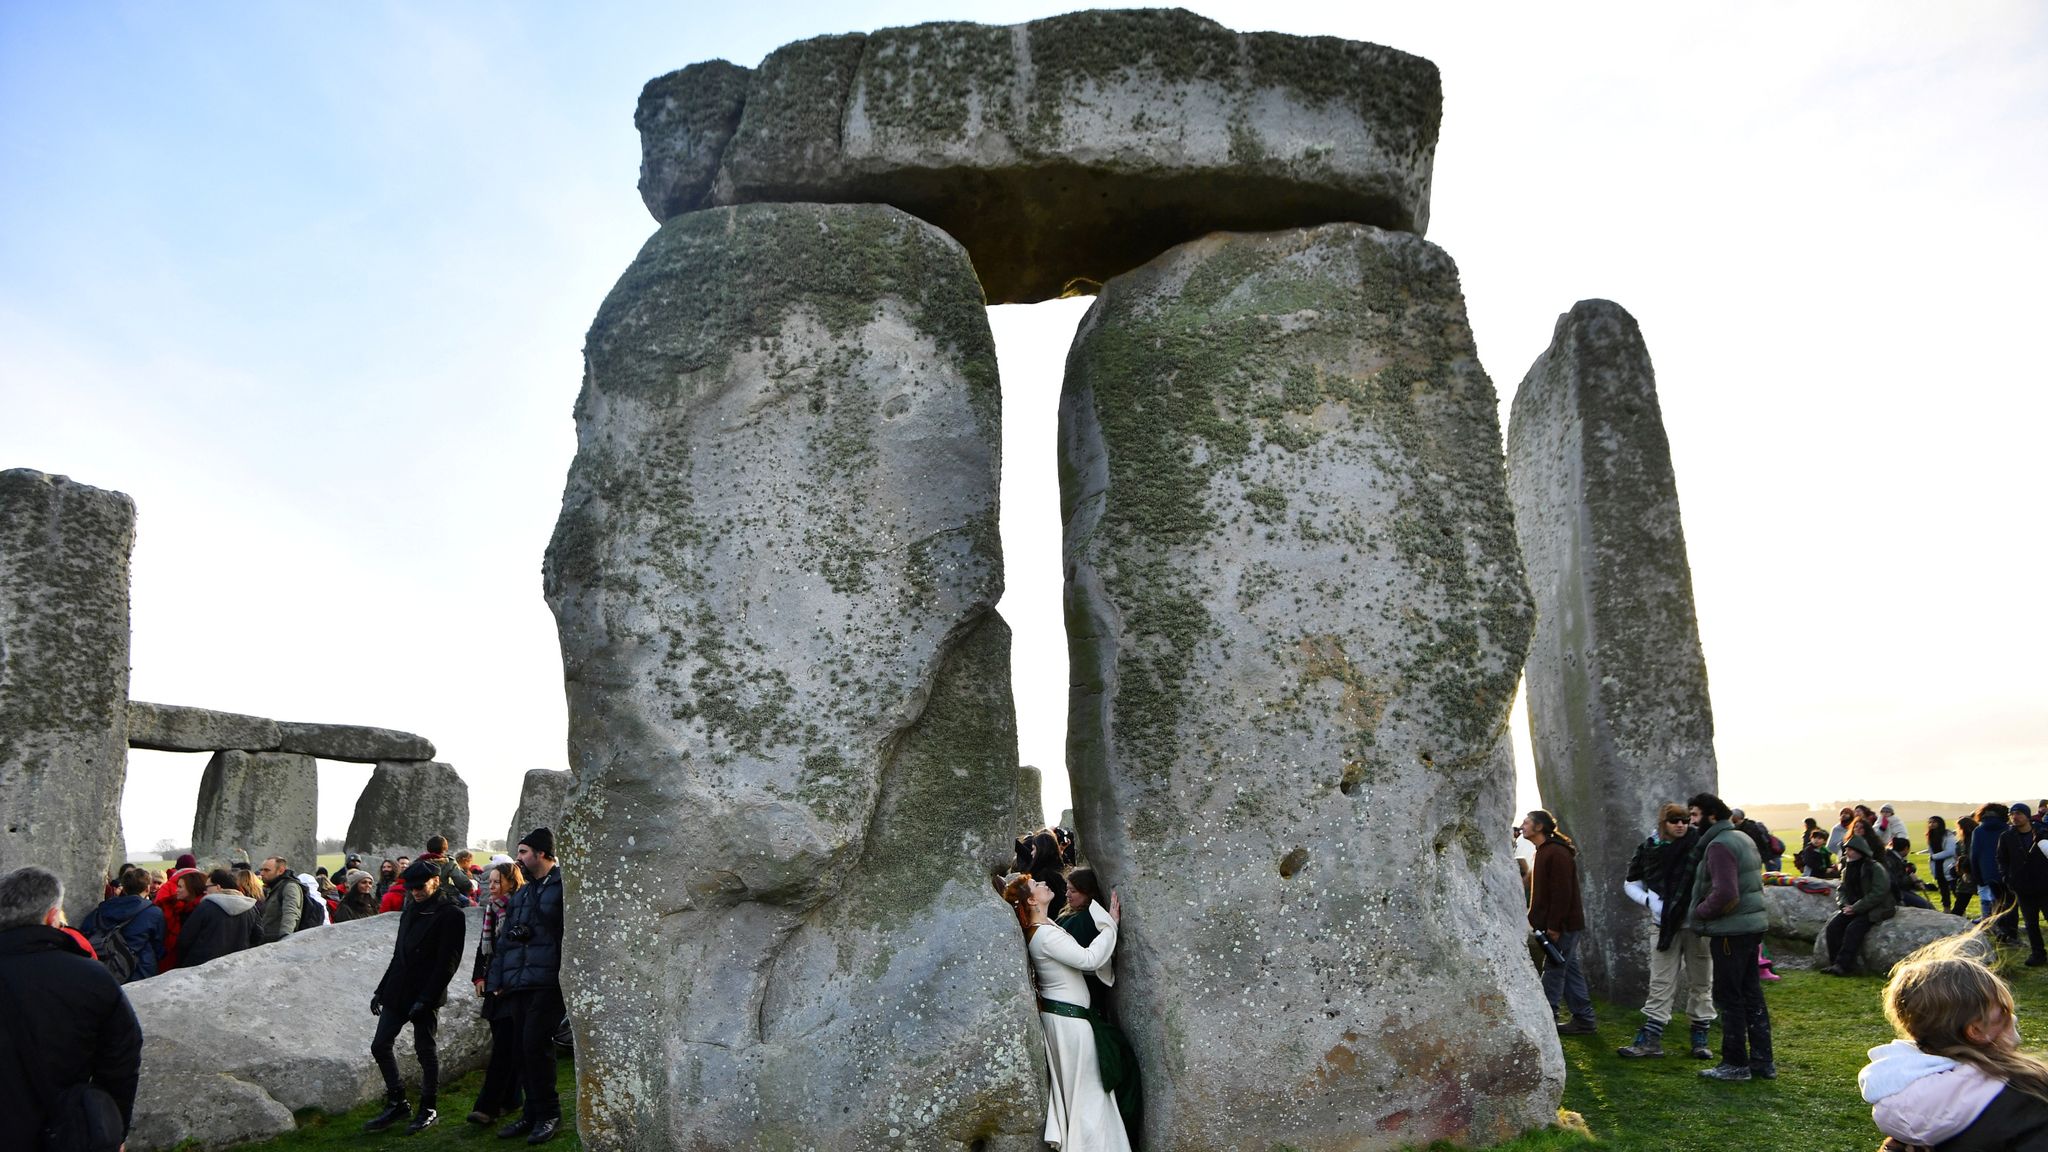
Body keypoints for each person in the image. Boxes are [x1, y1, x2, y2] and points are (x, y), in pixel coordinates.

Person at [0, 866, 145, 1152]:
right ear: (52, 916)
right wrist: (113, 1128)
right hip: (62, 1128)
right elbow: (120, 1061)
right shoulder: (91, 977)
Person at [1860, 932, 2048, 1150]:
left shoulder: (1909, 1094)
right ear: (1976, 1031)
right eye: (2003, 1012)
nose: (2012, 1017)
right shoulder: (2029, 1095)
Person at [999, 871, 1130, 1152]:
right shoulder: (1044, 935)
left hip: (1067, 1021)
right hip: (1069, 1024)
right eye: (1037, 885)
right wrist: (1110, 926)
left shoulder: (1045, 927)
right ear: (1032, 900)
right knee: (1089, 1096)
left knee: (1088, 1095)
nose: (1045, 884)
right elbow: (1089, 959)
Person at [364, 861, 467, 1134]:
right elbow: (399, 954)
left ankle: (428, 1107)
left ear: (435, 881)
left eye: (420, 887)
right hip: (398, 989)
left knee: (425, 1051)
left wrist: (427, 998)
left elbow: (448, 963)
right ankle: (398, 1101)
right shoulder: (410, 909)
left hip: (425, 992)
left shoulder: (451, 914)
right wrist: (381, 988)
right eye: (410, 888)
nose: (415, 892)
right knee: (380, 1045)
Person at [1618, 803, 1716, 1060]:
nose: (1681, 825)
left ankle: (1700, 1038)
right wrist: (1650, 902)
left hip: (1697, 926)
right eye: (1674, 821)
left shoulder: (1701, 846)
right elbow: (1631, 882)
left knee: (1702, 982)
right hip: (1663, 926)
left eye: (1684, 820)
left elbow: (1712, 881)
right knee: (1660, 982)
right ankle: (1651, 1039)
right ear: (1664, 823)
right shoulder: (1649, 849)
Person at [1687, 791, 1774, 1082]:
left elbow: (1726, 893)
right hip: (1751, 926)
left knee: (1729, 997)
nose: (1691, 821)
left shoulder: (1719, 844)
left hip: (1730, 931)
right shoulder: (1742, 837)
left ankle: (1735, 1063)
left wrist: (1700, 911)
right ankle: (1763, 1061)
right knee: (1752, 995)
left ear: (1712, 815)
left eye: (1695, 815)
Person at [489, 828, 567, 1144]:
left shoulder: (564, 887)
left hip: (549, 980)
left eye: (523, 852)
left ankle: (549, 1114)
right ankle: (531, 1114)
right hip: (519, 981)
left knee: (535, 1045)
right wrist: (496, 980)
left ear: (542, 853)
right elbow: (505, 940)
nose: (518, 858)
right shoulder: (522, 893)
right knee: (521, 1049)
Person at [1523, 809, 1595, 1035]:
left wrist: (1554, 926)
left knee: (1554, 970)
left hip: (1562, 926)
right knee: (1568, 968)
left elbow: (1562, 893)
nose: (1523, 826)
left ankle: (1546, 1020)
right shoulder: (1545, 851)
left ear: (1539, 827)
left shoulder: (1556, 853)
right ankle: (1584, 1019)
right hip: (1560, 924)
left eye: (1527, 823)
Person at [468, 861, 526, 1126]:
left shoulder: (519, 907)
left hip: (511, 985)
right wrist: (479, 975)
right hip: (493, 982)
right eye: (489, 881)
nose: (490, 886)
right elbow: (484, 945)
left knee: (504, 1046)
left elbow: (517, 949)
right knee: (506, 1044)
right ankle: (512, 1099)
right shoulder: (492, 909)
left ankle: (487, 1106)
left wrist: (506, 980)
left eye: (496, 882)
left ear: (511, 883)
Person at [1820, 835, 1896, 976]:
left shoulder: (1875, 868)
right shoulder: (1846, 869)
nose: (1846, 852)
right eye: (1846, 849)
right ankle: (1835, 963)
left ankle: (1844, 966)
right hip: (1853, 908)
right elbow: (1841, 889)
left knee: (1853, 929)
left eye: (1850, 850)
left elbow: (1879, 892)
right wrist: (1843, 905)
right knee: (1833, 927)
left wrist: (1855, 908)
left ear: (1860, 851)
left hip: (1875, 908)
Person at [77, 864, 168, 983]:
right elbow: (158, 946)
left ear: (124, 888)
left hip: (104, 965)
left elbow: (86, 930)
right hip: (140, 969)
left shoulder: (104, 907)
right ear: (147, 889)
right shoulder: (154, 913)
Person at [176, 868, 261, 968]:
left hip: (203, 968)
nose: (204, 891)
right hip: (237, 966)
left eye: (207, 887)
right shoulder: (250, 907)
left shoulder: (206, 907)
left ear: (218, 887)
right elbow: (257, 937)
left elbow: (185, 939)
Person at [1998, 803, 2048, 967]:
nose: (2015, 816)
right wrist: (2008, 878)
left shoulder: (2042, 832)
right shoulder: (2006, 836)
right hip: (2022, 887)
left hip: (2045, 885)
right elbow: (2002, 860)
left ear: (2027, 815)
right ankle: (2038, 954)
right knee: (2031, 923)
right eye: (2012, 814)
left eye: (2019, 813)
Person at [1972, 803, 2014, 942]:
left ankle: (2001, 932)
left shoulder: (1978, 831)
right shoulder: (2008, 829)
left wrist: (1978, 876)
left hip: (1988, 873)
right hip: (2008, 871)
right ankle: (2011, 935)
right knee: (2012, 904)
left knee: (1997, 902)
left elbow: (1974, 855)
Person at [254, 855, 303, 944]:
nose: (262, 873)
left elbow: (291, 914)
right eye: (261, 869)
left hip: (278, 944)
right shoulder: (273, 887)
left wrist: (285, 940)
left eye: (267, 870)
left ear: (280, 871)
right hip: (268, 943)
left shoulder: (289, 887)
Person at [1928, 816, 1963, 916]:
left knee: (1955, 889)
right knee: (1943, 889)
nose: (1931, 824)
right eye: (1930, 822)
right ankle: (1946, 909)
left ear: (1940, 823)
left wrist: (1934, 857)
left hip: (1949, 865)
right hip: (1938, 866)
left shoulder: (1948, 835)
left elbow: (1950, 851)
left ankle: (1960, 910)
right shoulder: (1930, 836)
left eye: (1934, 822)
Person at [1956, 814, 1979, 919]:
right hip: (1971, 871)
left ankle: (1955, 918)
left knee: (1961, 899)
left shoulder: (1969, 839)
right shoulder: (1974, 836)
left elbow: (1970, 856)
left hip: (1969, 873)